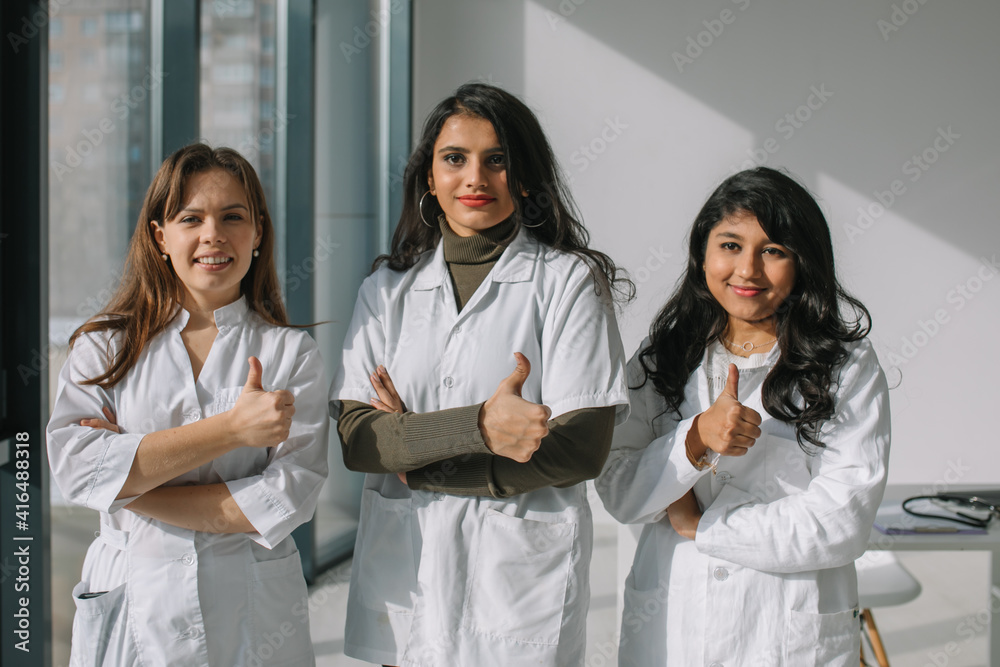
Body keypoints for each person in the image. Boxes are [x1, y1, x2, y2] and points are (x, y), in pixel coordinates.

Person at [329, 82, 632, 666]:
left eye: (498, 160)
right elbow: (359, 441)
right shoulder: (387, 292)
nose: (475, 179)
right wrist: (483, 427)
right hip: (408, 578)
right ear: (428, 177)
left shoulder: (566, 283)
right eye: (454, 159)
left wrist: (417, 450)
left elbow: (580, 451)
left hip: (517, 592)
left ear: (524, 176)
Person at [46, 144, 329, 666]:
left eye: (232, 217)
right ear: (161, 237)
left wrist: (126, 486)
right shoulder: (105, 348)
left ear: (258, 233)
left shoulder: (291, 355)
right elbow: (75, 470)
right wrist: (233, 430)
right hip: (133, 600)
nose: (212, 235)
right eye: (191, 218)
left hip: (248, 610)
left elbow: (289, 498)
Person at [596, 167, 891, 666]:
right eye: (730, 245)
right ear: (703, 253)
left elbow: (842, 521)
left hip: (784, 629)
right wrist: (694, 440)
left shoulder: (844, 367)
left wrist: (705, 527)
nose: (747, 270)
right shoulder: (663, 355)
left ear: (802, 264)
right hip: (675, 625)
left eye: (773, 251)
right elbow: (620, 494)